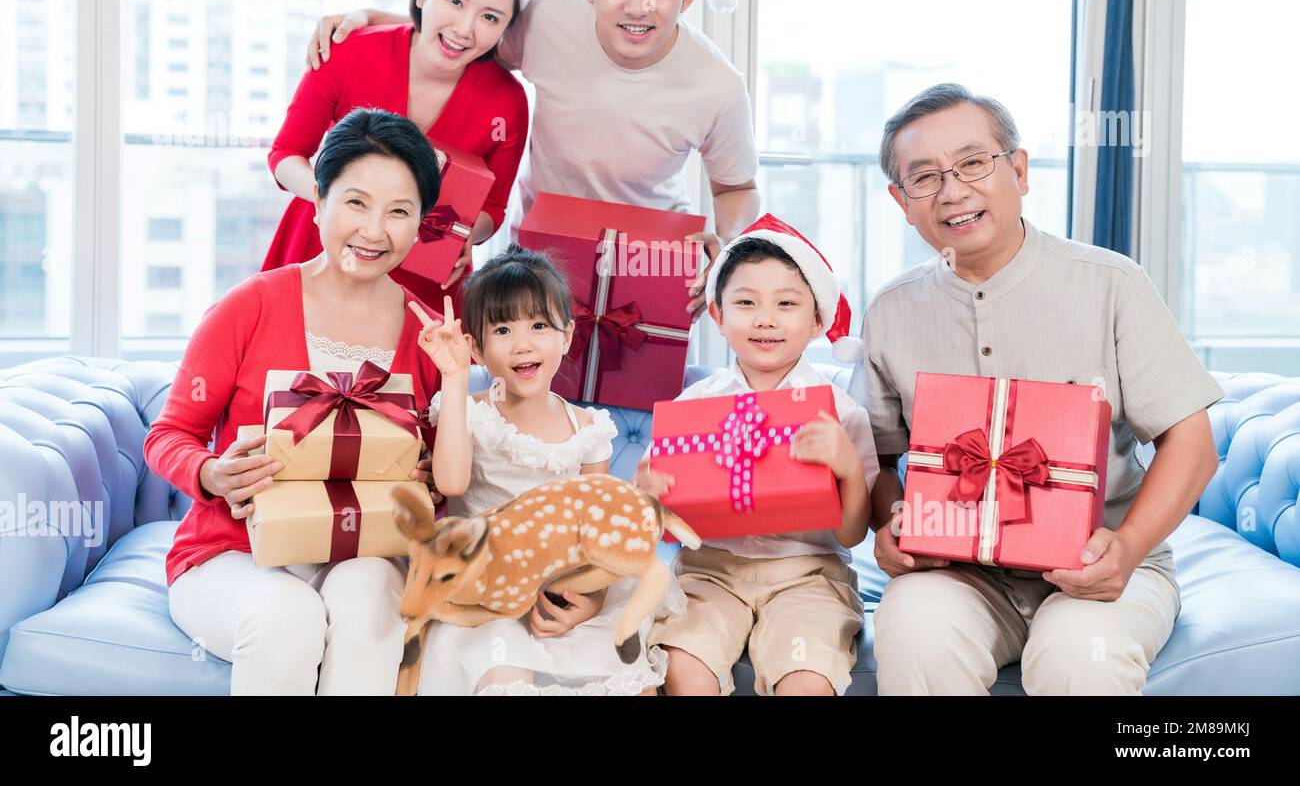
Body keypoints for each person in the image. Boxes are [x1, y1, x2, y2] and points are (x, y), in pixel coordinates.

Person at [853, 83, 1223, 695]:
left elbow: (1193, 443)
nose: (952, 191)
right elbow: (882, 461)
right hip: (959, 572)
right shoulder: (890, 312)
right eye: (925, 177)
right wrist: (890, 524)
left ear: (1019, 171)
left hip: (1101, 561)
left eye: (973, 163)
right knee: (915, 629)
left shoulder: (1113, 284)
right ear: (901, 200)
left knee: (1082, 653)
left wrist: (1126, 549)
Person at [306, 0, 761, 316]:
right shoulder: (546, 20)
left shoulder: (717, 84)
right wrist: (370, 17)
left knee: (633, 388)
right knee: (520, 385)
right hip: (537, 251)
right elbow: (464, 35)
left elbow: (736, 187)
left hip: (647, 259)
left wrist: (726, 252)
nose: (638, 5)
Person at [146, 108, 444, 695]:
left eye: (399, 212)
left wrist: (429, 474)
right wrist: (211, 471)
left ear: (421, 225)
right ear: (319, 201)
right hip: (232, 555)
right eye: (355, 203)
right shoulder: (250, 305)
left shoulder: (428, 333)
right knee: (289, 616)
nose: (374, 231)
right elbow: (168, 435)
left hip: (362, 550)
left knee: (373, 601)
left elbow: (438, 459)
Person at [410, 244, 682, 695]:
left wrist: (589, 601)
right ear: (476, 347)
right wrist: (455, 378)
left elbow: (596, 532)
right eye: (502, 329)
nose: (523, 343)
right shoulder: (469, 412)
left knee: (628, 682)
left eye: (539, 325)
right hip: (486, 591)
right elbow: (452, 483)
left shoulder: (589, 429)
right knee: (504, 678)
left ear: (567, 336)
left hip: (562, 588)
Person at [637, 215, 876, 695]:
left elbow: (852, 532)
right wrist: (649, 493)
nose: (765, 319)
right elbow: (661, 522)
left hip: (810, 575)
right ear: (719, 316)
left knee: (806, 680)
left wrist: (847, 467)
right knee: (683, 669)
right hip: (710, 572)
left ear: (816, 321)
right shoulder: (696, 406)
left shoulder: (838, 412)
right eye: (746, 303)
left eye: (786, 304)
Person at [263, 0, 533, 307]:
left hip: (423, 273)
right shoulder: (348, 51)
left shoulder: (508, 100)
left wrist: (459, 235)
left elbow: (492, 208)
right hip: (321, 251)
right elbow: (285, 155)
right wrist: (336, 201)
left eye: (490, 18)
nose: (464, 29)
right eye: (455, 2)